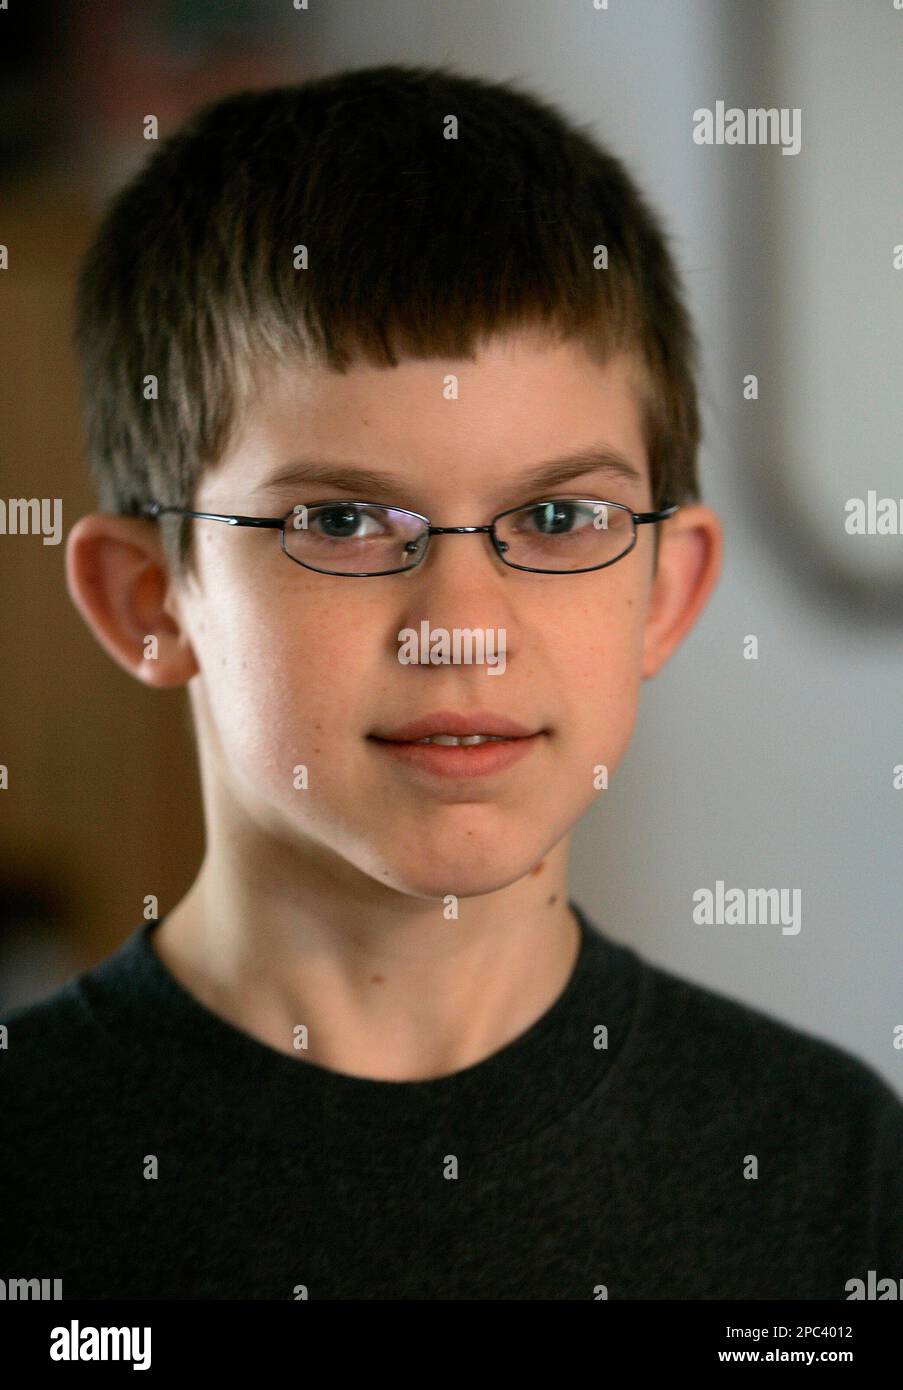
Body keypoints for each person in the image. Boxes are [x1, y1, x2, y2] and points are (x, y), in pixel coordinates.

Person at [2, 63, 900, 1301]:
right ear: (149, 599)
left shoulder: (829, 1163)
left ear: (667, 590)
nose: (463, 631)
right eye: (343, 518)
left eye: (559, 513)